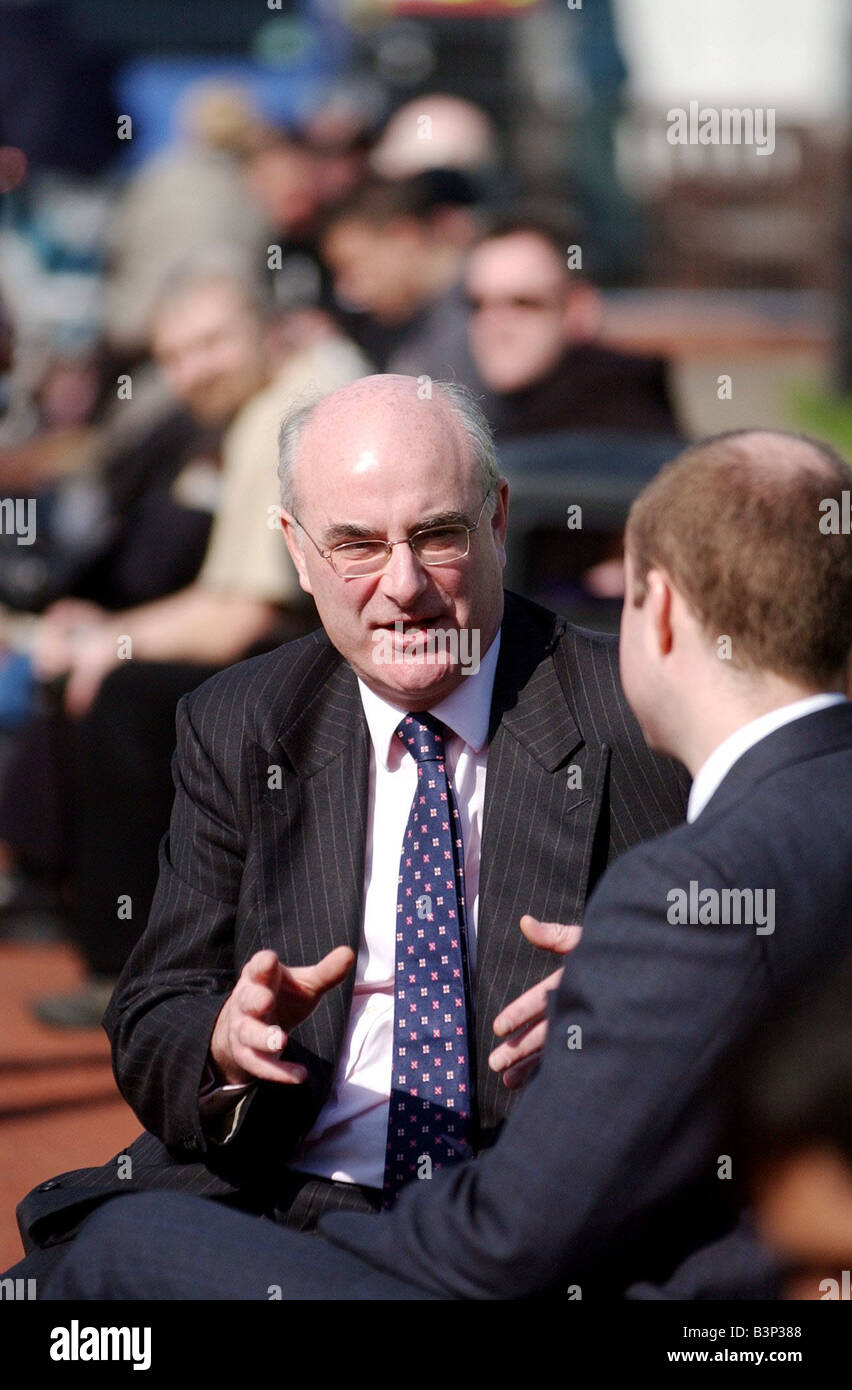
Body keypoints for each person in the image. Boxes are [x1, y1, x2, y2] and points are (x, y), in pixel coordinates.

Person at [35, 426, 852, 1300]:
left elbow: (769, 957)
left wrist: (627, 998)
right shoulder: (240, 721)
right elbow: (154, 1006)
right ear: (296, 553)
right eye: (354, 545)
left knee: (124, 1258)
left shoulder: (646, 719)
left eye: (438, 536)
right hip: (272, 1190)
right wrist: (225, 1049)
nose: (404, 585)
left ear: (497, 520)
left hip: (516, 1222)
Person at [464, 210, 679, 438]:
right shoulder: (500, 422)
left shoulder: (621, 434)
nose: (493, 324)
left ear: (580, 309)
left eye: (524, 303)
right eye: (477, 304)